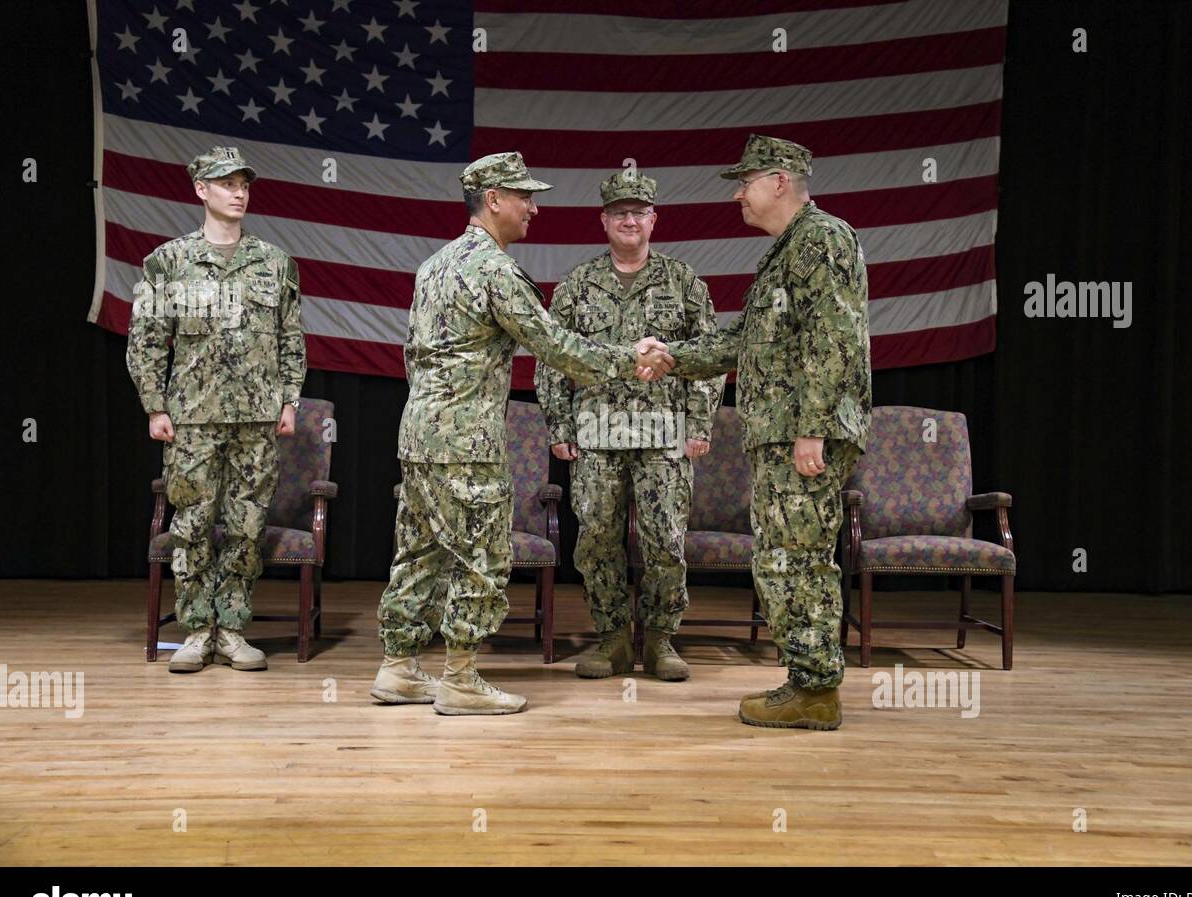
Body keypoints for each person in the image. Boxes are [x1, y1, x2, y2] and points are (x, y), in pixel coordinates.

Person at [370, 152, 675, 716]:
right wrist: (627, 357)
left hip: (418, 434)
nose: (533, 207)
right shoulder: (494, 270)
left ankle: (398, 668)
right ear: (493, 200)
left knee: (418, 550)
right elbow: (556, 345)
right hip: (467, 442)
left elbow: (412, 355)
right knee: (479, 556)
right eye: (524, 196)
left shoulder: (432, 266)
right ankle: (460, 677)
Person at [660, 135, 872, 729]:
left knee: (798, 558)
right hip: (778, 435)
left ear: (780, 181)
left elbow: (836, 339)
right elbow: (739, 343)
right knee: (782, 557)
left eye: (746, 181)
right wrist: (669, 356)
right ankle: (807, 680)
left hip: (801, 435)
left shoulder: (823, 239)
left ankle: (816, 689)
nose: (738, 194)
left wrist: (813, 430)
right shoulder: (786, 252)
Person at [535, 170, 724, 681]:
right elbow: (552, 359)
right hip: (597, 435)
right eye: (620, 212)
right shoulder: (577, 286)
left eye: (639, 212)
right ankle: (613, 639)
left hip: (665, 436)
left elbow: (709, 357)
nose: (629, 221)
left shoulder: (683, 282)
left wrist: (699, 423)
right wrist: (560, 424)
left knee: (664, 538)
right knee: (597, 538)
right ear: (604, 220)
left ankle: (661, 640)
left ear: (653, 219)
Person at [126, 146, 306, 674]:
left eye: (244, 184)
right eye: (226, 183)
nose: (239, 192)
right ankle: (196, 629)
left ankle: (232, 628)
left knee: (247, 524)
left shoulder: (275, 263)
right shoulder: (168, 262)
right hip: (192, 418)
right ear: (201, 190)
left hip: (257, 417)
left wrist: (290, 398)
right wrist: (154, 406)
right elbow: (148, 341)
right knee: (193, 524)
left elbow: (290, 339)